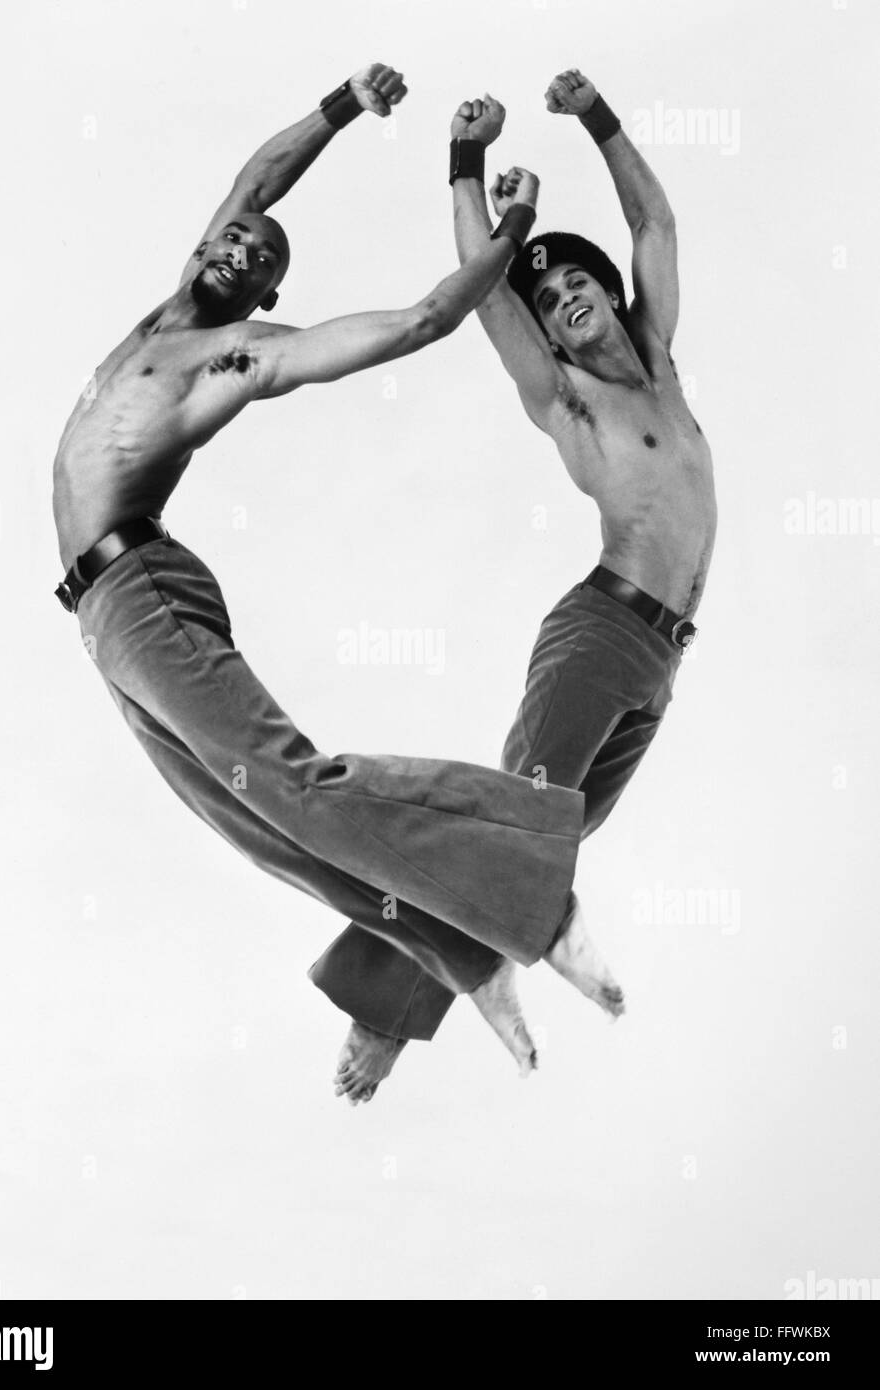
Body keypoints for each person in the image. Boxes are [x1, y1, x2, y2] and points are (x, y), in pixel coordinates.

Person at [52, 66, 589, 1103]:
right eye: (233, 238)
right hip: (103, 618)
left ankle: (530, 870)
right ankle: (464, 953)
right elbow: (261, 179)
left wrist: (505, 232)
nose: (238, 249)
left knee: (299, 784)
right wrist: (342, 106)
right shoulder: (160, 315)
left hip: (142, 586)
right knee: (266, 829)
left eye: (258, 260)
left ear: (267, 298)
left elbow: (420, 321)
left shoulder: (234, 354)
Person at [313, 71, 717, 1105]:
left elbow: (653, 217)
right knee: (505, 835)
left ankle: (411, 986)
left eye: (576, 284)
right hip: (599, 631)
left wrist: (598, 119)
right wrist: (467, 167)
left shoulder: (661, 363)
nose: (564, 300)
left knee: (543, 847)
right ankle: (383, 1009)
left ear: (608, 293)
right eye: (549, 304)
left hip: (659, 660)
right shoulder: (569, 401)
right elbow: (488, 289)